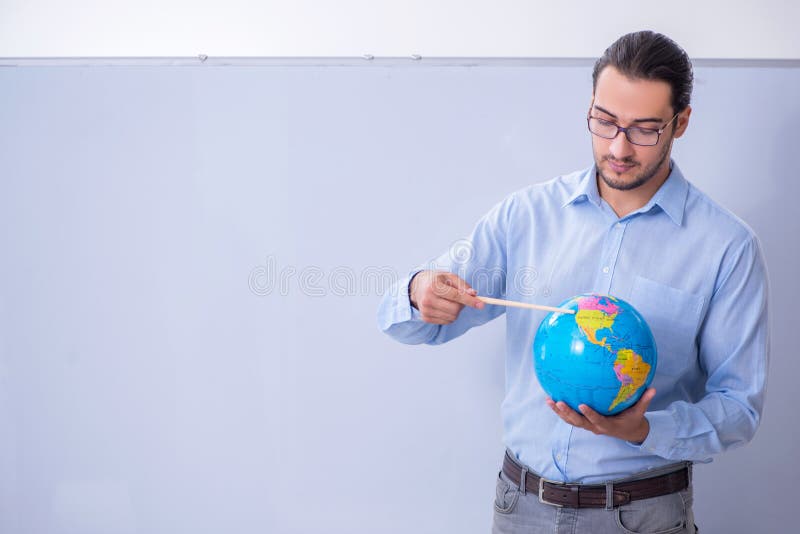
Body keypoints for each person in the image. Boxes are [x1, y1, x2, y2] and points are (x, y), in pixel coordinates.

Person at [376, 30, 769, 533]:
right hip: (521, 509)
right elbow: (410, 323)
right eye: (605, 122)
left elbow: (739, 408)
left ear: (681, 122)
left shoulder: (726, 247)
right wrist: (418, 292)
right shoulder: (526, 217)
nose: (619, 147)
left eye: (645, 129)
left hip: (645, 516)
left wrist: (646, 429)